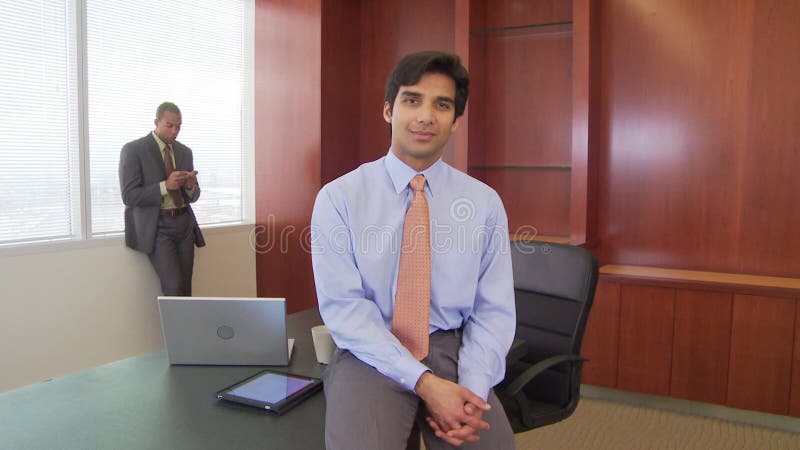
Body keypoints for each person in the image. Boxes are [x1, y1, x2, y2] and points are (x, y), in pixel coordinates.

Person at [311, 51, 516, 449]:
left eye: (442, 105)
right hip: (371, 348)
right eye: (412, 100)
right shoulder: (339, 198)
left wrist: (472, 392)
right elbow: (345, 310)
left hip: (452, 348)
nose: (426, 116)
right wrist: (425, 384)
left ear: (455, 121)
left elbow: (492, 310)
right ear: (388, 110)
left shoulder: (484, 203)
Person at [119, 102, 205, 296]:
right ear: (156, 122)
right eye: (170, 125)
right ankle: (175, 327)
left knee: (186, 288)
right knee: (173, 287)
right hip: (158, 227)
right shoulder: (134, 150)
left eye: (179, 126)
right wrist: (165, 186)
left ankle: (185, 328)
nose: (175, 131)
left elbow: (194, 196)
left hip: (184, 224)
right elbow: (129, 195)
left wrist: (190, 187)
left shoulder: (185, 152)